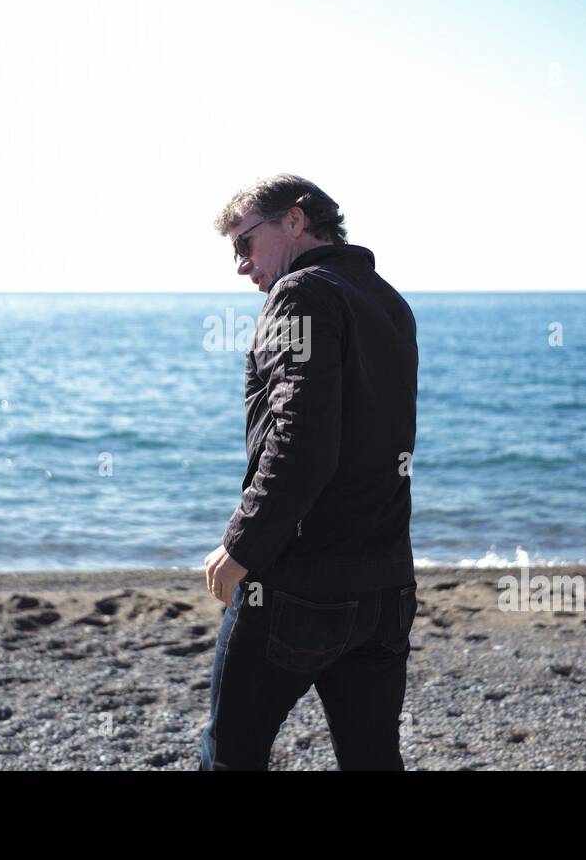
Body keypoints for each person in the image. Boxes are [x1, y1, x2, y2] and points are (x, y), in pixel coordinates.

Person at [200, 173, 420, 770]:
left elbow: (303, 441)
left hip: (298, 587)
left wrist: (242, 545)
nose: (240, 266)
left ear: (295, 221)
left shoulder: (300, 294)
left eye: (244, 244)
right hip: (385, 587)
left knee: (231, 756)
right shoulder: (387, 299)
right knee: (372, 758)